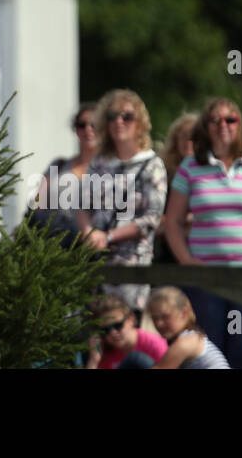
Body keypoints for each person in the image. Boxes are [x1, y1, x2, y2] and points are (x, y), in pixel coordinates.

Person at [161, 97, 242, 369]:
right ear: (205, 127)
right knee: (209, 354)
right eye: (214, 120)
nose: (223, 125)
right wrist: (185, 260)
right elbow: (172, 222)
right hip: (206, 279)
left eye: (230, 119)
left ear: (239, 124)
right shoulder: (191, 166)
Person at [78, 89, 167, 316]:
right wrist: (89, 233)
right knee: (93, 335)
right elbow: (82, 205)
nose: (119, 121)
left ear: (140, 123)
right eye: (112, 116)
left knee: (123, 333)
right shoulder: (99, 162)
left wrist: (108, 237)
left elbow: (151, 219)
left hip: (131, 268)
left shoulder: (151, 165)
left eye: (126, 116)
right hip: (95, 264)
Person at [26, 102, 100, 247]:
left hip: (88, 252)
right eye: (82, 125)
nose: (88, 129)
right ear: (76, 130)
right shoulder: (58, 165)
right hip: (50, 247)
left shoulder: (111, 171)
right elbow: (35, 204)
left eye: (94, 124)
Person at [142, 287, 230, 369]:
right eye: (154, 318)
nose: (159, 324)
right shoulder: (190, 336)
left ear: (184, 313)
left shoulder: (186, 342)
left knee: (137, 359)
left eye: (165, 317)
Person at [155, 111, 197, 264]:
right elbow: (153, 220)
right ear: (175, 140)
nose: (188, 142)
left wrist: (177, 221)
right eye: (184, 136)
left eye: (194, 137)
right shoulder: (161, 174)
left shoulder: (213, 176)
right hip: (168, 257)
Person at [85, 294, 167, 369]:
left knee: (136, 359)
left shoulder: (155, 345)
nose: (113, 332)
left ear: (131, 319)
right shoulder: (104, 351)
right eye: (106, 329)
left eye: (118, 325)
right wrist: (94, 360)